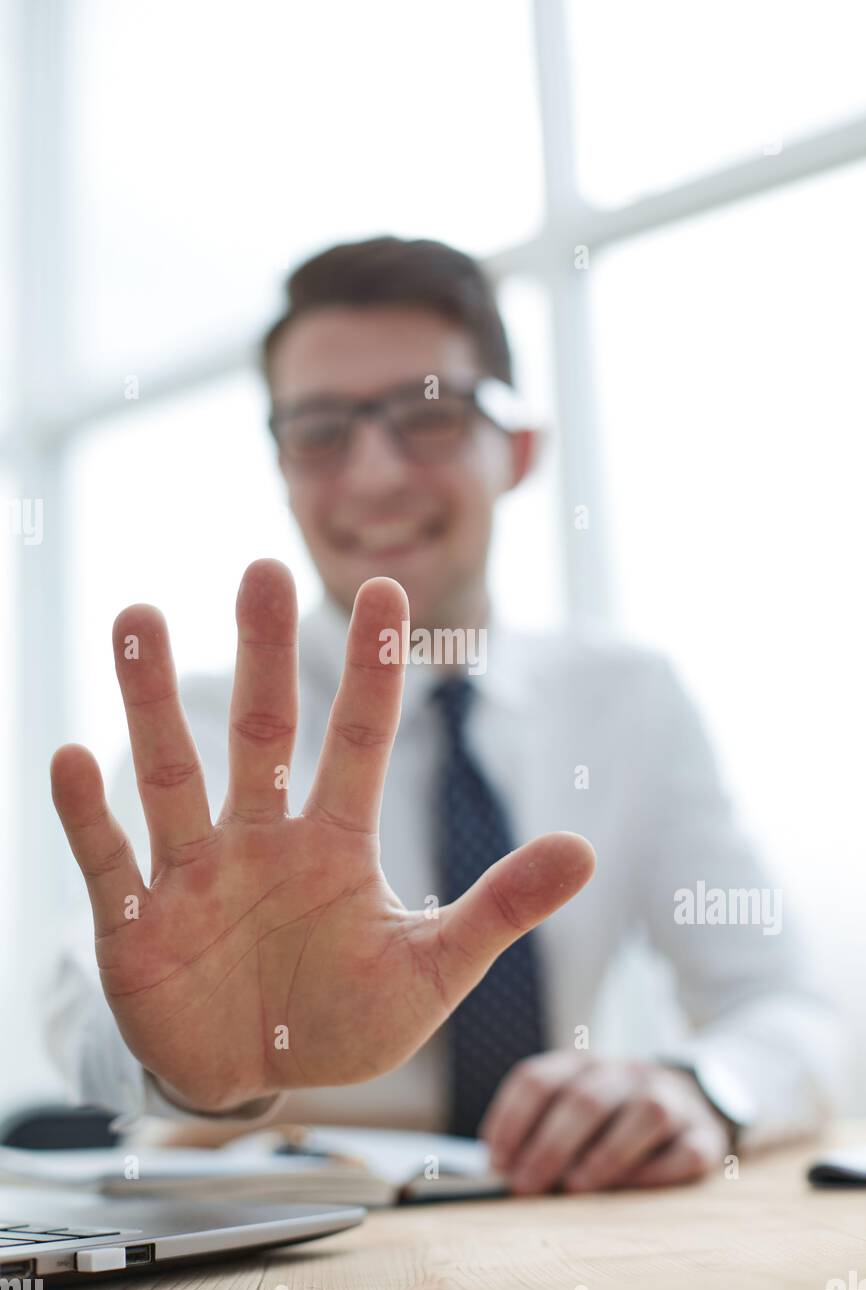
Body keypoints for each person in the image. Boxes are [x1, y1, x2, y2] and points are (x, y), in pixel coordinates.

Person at [45, 237, 841, 1195]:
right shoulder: (207, 729)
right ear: (283, 467)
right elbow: (80, 1002)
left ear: (519, 448)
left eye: (429, 415)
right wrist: (186, 1071)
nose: (375, 475)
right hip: (293, 1243)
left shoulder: (628, 698)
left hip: (568, 1234)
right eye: (321, 430)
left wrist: (701, 1088)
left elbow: (786, 1005)